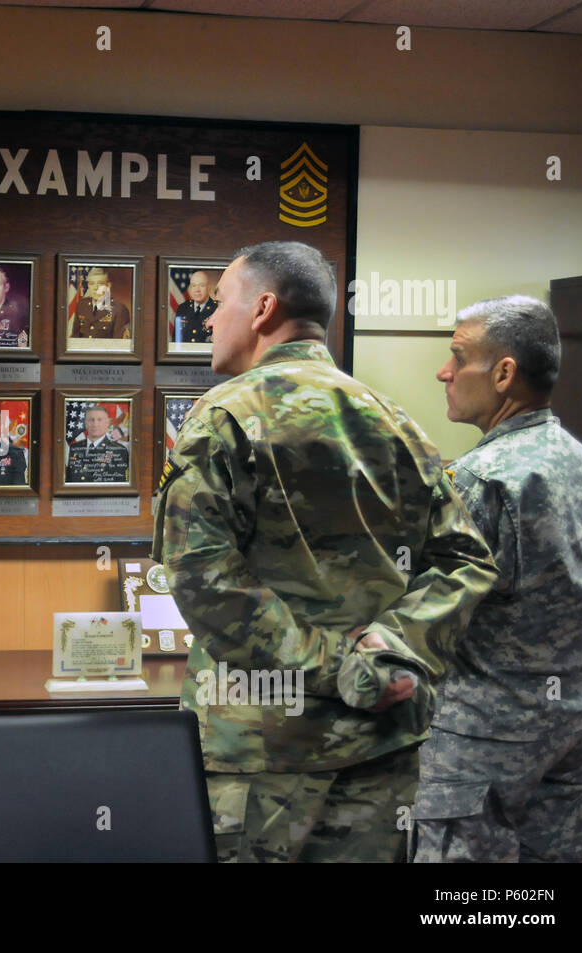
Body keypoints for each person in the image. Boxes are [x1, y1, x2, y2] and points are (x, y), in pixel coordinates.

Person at [151, 240, 498, 863]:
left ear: (262, 308)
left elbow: (201, 576)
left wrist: (334, 664)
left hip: (262, 753)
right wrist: (384, 655)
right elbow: (464, 562)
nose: (207, 318)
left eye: (219, 302)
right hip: (379, 748)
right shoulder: (396, 421)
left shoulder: (222, 419)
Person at [415, 295, 582, 863]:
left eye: (457, 356)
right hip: (579, 731)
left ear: (503, 374)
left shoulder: (479, 479)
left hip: (483, 745)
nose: (443, 371)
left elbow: (426, 609)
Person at [65, 405, 129, 483]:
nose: (95, 424)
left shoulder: (119, 451)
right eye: (91, 420)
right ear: (85, 423)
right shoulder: (74, 448)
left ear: (107, 423)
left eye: (99, 420)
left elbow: (119, 486)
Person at [71, 267, 131, 339]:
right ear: (88, 286)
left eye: (100, 284)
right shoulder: (82, 305)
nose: (95, 288)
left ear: (108, 286)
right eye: (92, 283)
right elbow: (75, 338)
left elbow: (118, 344)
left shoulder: (119, 309)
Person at [175, 270, 216, 344]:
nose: (197, 290)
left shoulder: (217, 309)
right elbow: (175, 339)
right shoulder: (183, 308)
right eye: (194, 285)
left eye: (202, 285)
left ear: (209, 288)